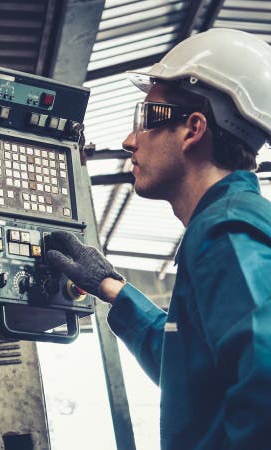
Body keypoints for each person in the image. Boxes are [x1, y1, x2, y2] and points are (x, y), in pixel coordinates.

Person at [44, 28, 271, 449]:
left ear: (193, 130)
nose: (129, 140)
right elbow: (186, 369)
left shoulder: (227, 232)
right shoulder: (221, 231)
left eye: (145, 119)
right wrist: (110, 286)